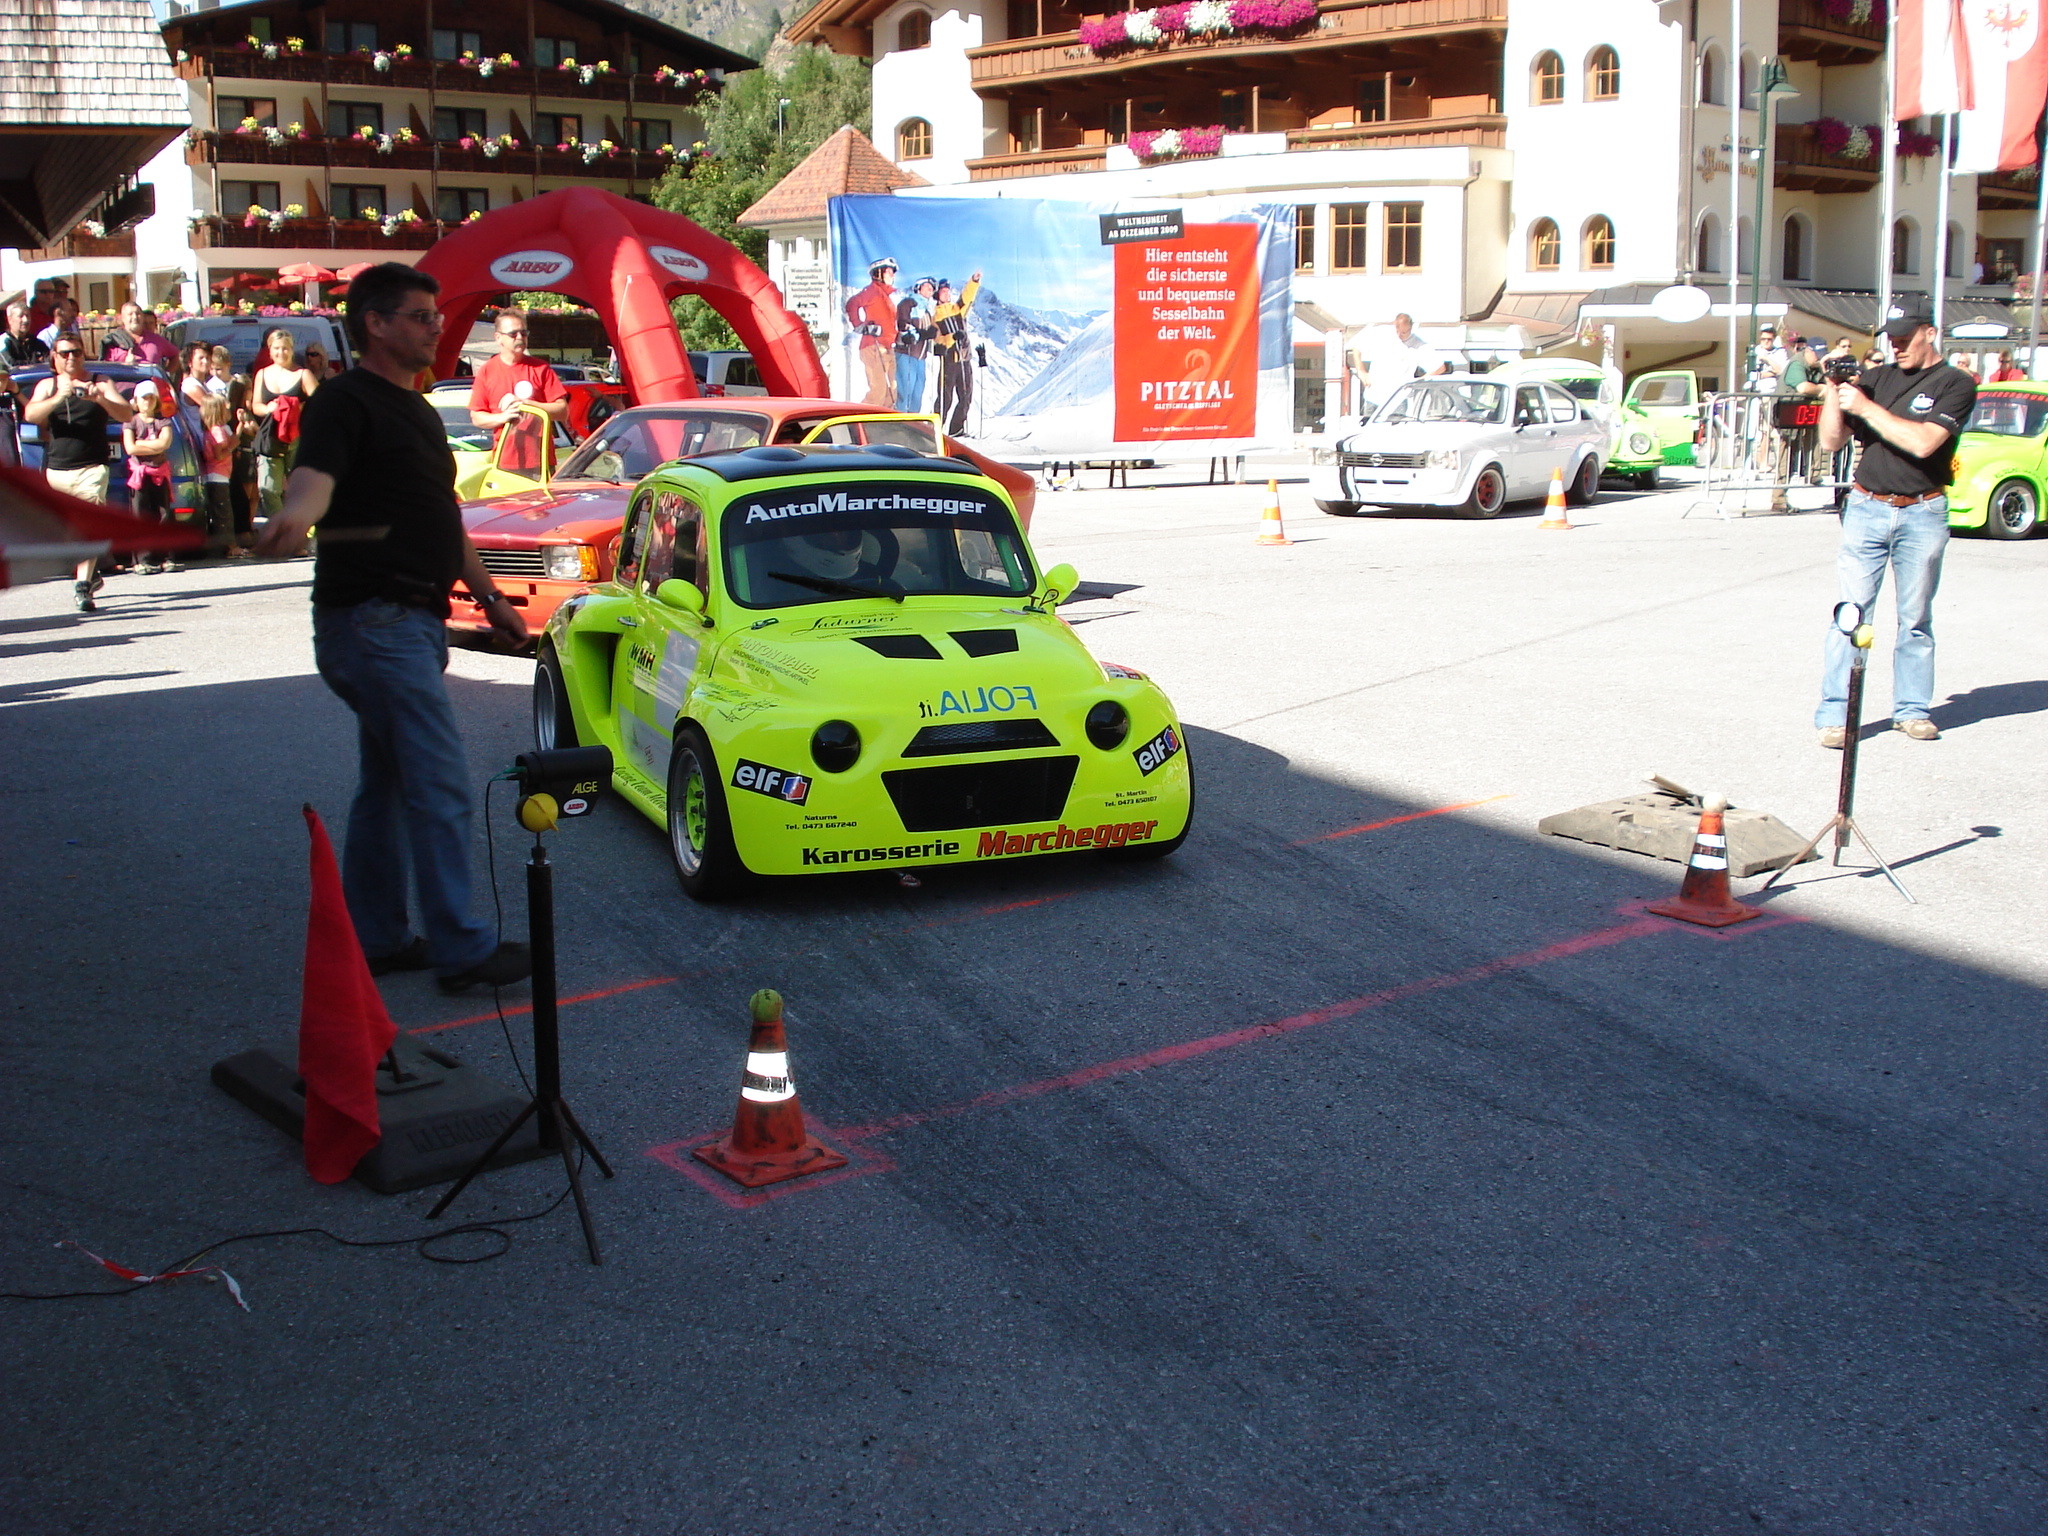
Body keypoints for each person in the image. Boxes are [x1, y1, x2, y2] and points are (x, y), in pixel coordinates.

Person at [252, 261, 531, 994]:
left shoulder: (416, 409)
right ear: (375, 323)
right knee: (438, 784)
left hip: (406, 621)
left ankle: (374, 937)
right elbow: (314, 482)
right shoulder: (345, 402)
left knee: (388, 786)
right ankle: (462, 948)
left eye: (436, 316)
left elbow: (439, 515)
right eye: (420, 316)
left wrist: (491, 597)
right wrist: (295, 516)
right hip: (373, 621)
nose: (437, 327)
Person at [1813, 311, 1976, 746]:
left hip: (1923, 510)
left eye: (1906, 337)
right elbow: (1831, 441)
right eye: (1892, 338)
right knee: (1850, 614)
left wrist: (1865, 406)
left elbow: (1924, 443)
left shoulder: (1954, 383)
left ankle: (1912, 710)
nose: (1898, 346)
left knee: (1915, 617)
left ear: (1929, 333)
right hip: (1868, 505)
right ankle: (1836, 716)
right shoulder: (1876, 377)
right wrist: (1835, 391)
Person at [26, 336, 134, 612]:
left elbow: (125, 415)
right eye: (64, 354)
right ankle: (92, 573)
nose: (70, 358)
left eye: (75, 352)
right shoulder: (47, 385)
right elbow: (31, 415)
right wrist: (59, 397)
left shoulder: (100, 381)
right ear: (55, 357)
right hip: (58, 470)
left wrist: (100, 399)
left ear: (83, 354)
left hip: (92, 468)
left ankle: (82, 585)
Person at [467, 308, 566, 473]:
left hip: (541, 462)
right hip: (504, 462)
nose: (520, 338)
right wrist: (503, 417)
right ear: (499, 338)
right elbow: (477, 417)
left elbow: (562, 411)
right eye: (513, 334)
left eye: (524, 333)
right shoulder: (487, 371)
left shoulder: (541, 368)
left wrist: (527, 405)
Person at [251, 327, 320, 518]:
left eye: (285, 348)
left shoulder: (303, 374)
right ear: (270, 350)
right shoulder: (262, 374)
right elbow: (256, 405)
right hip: (270, 437)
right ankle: (281, 529)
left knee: (298, 489)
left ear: (292, 349)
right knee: (267, 488)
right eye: (276, 348)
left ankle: (299, 533)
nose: (281, 352)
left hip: (297, 437)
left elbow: (320, 402)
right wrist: (269, 409)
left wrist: (297, 407)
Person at [123, 383, 178, 574]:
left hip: (159, 473)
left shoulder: (163, 422)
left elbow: (165, 443)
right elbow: (130, 448)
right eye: (144, 398)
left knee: (163, 515)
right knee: (140, 516)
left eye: (151, 398)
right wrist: (155, 446)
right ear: (136, 401)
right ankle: (141, 559)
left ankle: (165, 557)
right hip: (139, 474)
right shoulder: (131, 422)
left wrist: (143, 444)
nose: (148, 401)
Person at [930, 271, 982, 435]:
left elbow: (966, 298)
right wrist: (952, 338)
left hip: (964, 357)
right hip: (949, 360)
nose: (947, 293)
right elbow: (936, 340)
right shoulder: (935, 316)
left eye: (948, 291)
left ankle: (956, 429)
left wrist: (973, 281)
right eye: (943, 291)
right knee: (945, 398)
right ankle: (933, 431)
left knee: (966, 395)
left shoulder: (957, 309)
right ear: (938, 295)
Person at [844, 257, 900, 407]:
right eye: (888, 272)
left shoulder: (885, 296)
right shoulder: (873, 291)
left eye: (892, 272)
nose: (892, 275)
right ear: (878, 273)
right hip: (873, 346)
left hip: (887, 347)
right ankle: (860, 423)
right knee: (878, 391)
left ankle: (885, 427)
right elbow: (852, 304)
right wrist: (860, 325)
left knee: (891, 392)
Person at [1361, 313, 1447, 404]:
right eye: (1397, 331)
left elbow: (1440, 368)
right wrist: (1361, 371)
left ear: (1410, 328)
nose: (1399, 335)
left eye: (1403, 333)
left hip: (1398, 401)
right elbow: (1357, 347)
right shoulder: (1382, 335)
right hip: (1373, 398)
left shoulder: (1419, 345)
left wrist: (1419, 381)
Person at [198, 391, 242, 555]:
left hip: (217, 475)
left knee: (218, 512)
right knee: (224, 513)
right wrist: (231, 447)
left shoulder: (214, 429)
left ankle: (222, 545)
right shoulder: (217, 431)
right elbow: (218, 454)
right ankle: (230, 547)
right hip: (218, 474)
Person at [893, 277, 936, 415]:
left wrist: (932, 339)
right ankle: (900, 418)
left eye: (932, 288)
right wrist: (921, 334)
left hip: (920, 355)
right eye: (927, 286)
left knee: (918, 389)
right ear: (918, 288)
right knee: (906, 388)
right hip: (907, 352)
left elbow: (928, 332)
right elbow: (903, 324)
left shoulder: (927, 311)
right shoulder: (908, 303)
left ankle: (913, 420)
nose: (931, 290)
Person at [0, 299, 50, 371]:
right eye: (21, 316)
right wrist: (37, 362)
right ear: (10, 320)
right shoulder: (3, 342)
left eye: (27, 316)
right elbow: (11, 365)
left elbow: (49, 361)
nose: (26, 320)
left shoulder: (38, 343)